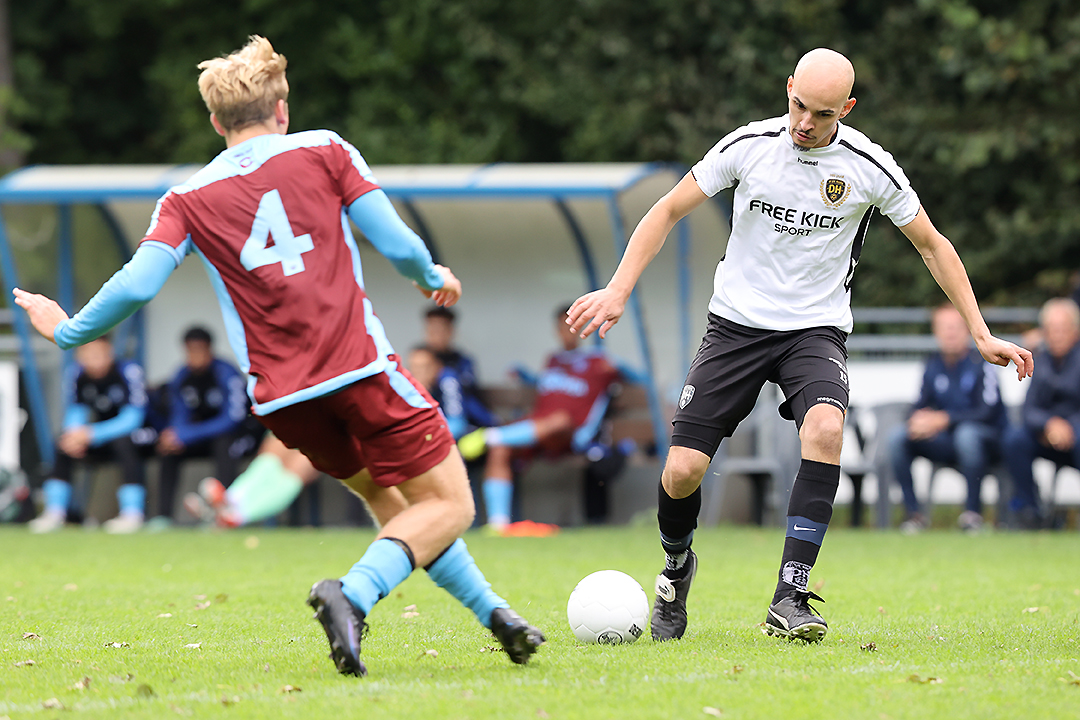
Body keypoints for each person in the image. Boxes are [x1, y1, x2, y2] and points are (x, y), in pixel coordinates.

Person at [13, 36, 542, 676]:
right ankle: (352, 595)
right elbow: (397, 243)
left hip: (285, 402)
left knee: (392, 504)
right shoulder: (324, 150)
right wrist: (431, 273)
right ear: (282, 108)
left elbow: (137, 284)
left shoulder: (186, 198)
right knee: (452, 504)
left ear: (215, 122)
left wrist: (67, 331)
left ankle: (495, 616)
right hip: (360, 371)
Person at [566, 48, 1033, 643]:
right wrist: (619, 287)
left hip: (814, 330)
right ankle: (677, 568)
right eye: (797, 105)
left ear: (847, 108)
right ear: (786, 89)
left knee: (827, 430)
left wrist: (980, 331)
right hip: (734, 325)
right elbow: (668, 209)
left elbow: (933, 245)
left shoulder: (869, 166)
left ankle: (790, 594)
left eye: (820, 113)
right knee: (683, 470)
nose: (804, 122)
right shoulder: (748, 146)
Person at [458, 304, 643, 533]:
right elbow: (552, 391)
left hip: (572, 436)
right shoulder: (553, 360)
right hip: (539, 432)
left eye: (574, 326)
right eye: (563, 327)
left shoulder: (600, 361)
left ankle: (488, 435)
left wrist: (620, 366)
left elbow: (643, 381)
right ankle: (498, 526)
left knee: (559, 420)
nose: (568, 332)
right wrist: (527, 377)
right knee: (501, 448)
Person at [888, 304, 1008, 533]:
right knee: (897, 438)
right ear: (936, 332)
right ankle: (913, 515)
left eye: (955, 327)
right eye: (944, 328)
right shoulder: (932, 364)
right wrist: (918, 420)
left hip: (987, 441)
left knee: (967, 435)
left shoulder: (983, 364)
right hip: (946, 441)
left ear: (967, 330)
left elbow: (987, 412)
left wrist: (944, 419)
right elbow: (921, 403)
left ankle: (973, 515)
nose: (950, 333)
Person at [28, 336, 149, 534]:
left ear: (109, 353)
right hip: (100, 436)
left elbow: (133, 419)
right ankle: (55, 512)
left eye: (99, 355)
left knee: (124, 444)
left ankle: (132, 513)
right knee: (63, 442)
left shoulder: (128, 371)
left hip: (142, 434)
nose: (94, 361)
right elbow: (75, 411)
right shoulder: (76, 373)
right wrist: (74, 435)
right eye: (88, 355)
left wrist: (91, 433)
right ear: (79, 356)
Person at [154, 326, 247, 522]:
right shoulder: (181, 375)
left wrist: (187, 435)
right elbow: (179, 412)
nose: (194, 355)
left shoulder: (226, 373)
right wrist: (176, 435)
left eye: (199, 349)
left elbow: (232, 420)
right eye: (190, 350)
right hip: (198, 437)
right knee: (169, 449)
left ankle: (223, 513)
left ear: (209, 349)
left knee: (225, 444)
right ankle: (163, 517)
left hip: (234, 436)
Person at [1003, 298, 1080, 528]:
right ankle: (1030, 511)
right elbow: (1030, 410)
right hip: (1046, 436)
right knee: (1014, 440)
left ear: (1075, 331)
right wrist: (1049, 425)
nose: (1056, 335)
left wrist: (1068, 428)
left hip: (1076, 435)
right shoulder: (1040, 360)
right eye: (1051, 329)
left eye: (1062, 329)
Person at [423, 306, 497, 429]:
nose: (434, 335)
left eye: (439, 330)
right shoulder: (420, 358)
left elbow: (467, 401)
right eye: (431, 330)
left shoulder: (463, 363)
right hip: (430, 425)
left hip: (462, 425)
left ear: (451, 331)